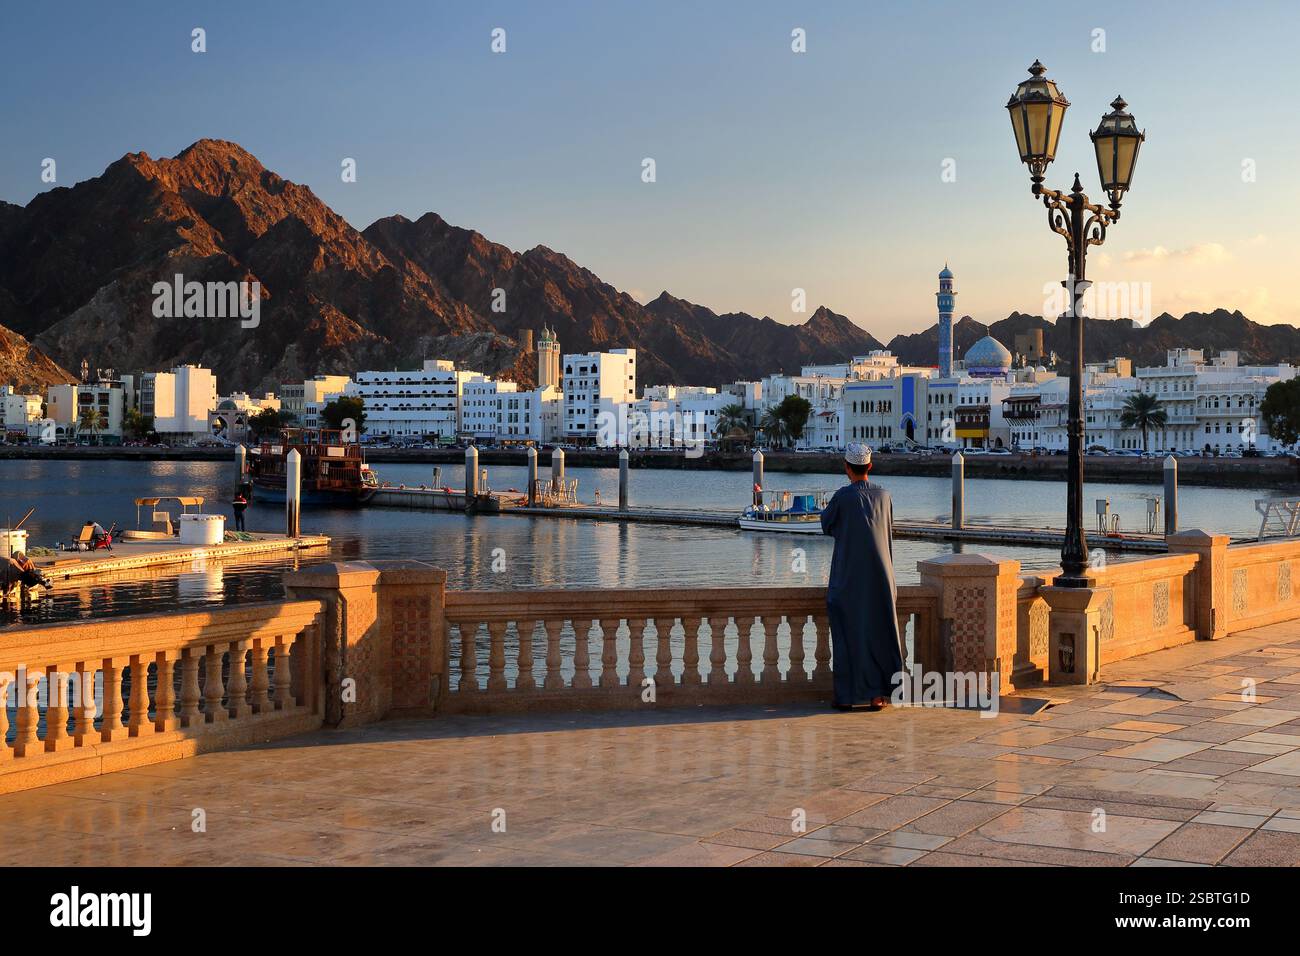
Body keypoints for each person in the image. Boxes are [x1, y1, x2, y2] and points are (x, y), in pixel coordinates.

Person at [819, 442, 904, 712]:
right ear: (870, 466)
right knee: (880, 634)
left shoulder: (842, 497)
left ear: (847, 468)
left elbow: (826, 525)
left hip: (848, 578)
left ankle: (845, 696)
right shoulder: (885, 496)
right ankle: (877, 696)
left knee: (846, 636)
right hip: (881, 578)